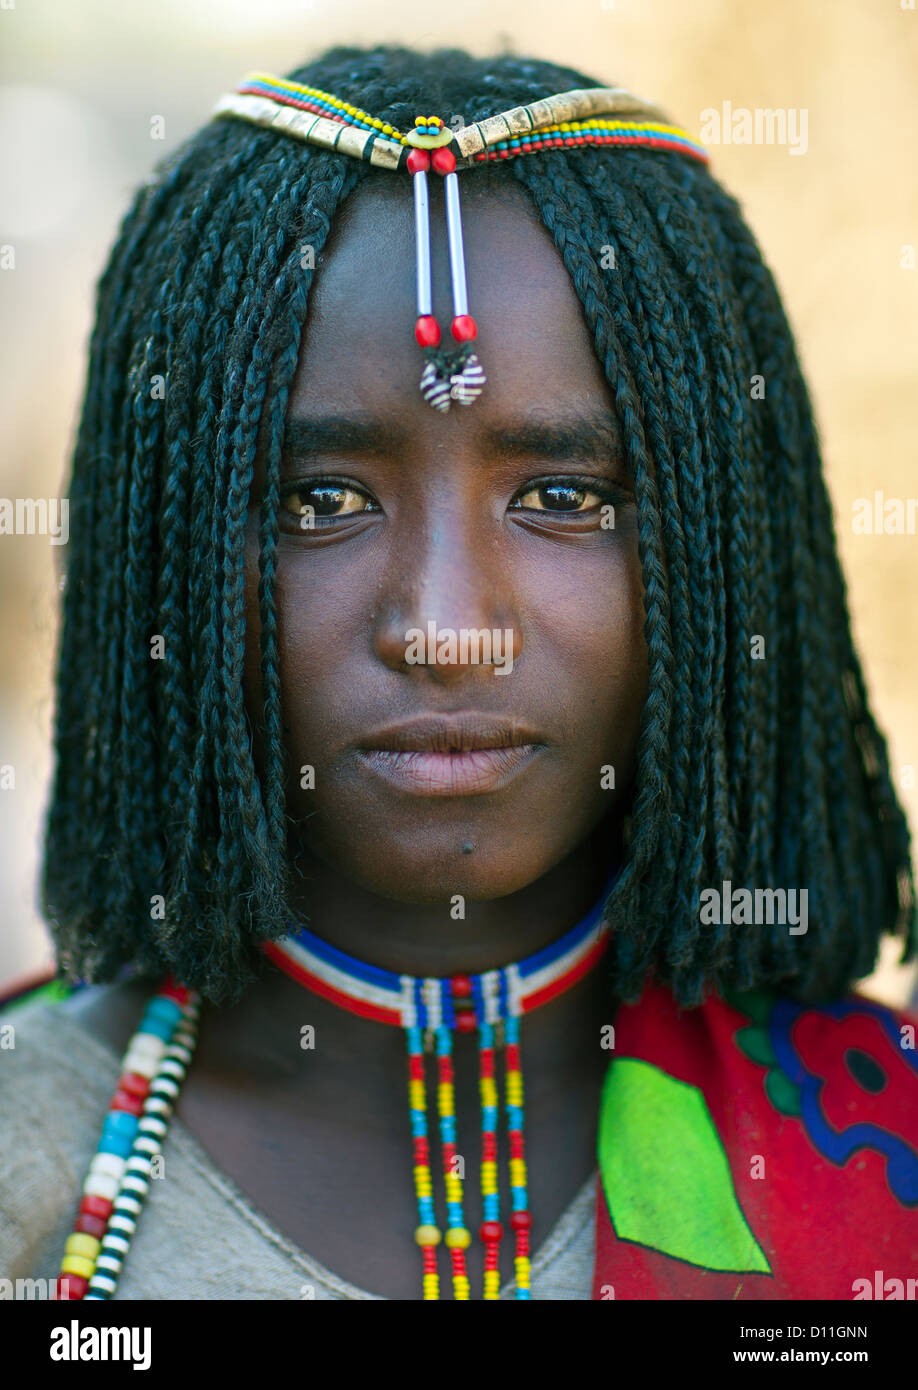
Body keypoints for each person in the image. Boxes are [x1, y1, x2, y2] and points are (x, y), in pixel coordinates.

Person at [1, 42, 916, 1303]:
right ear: (163, 546)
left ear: (727, 547)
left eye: (559, 496)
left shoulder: (888, 1170)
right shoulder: (26, 1154)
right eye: (321, 499)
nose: (444, 628)